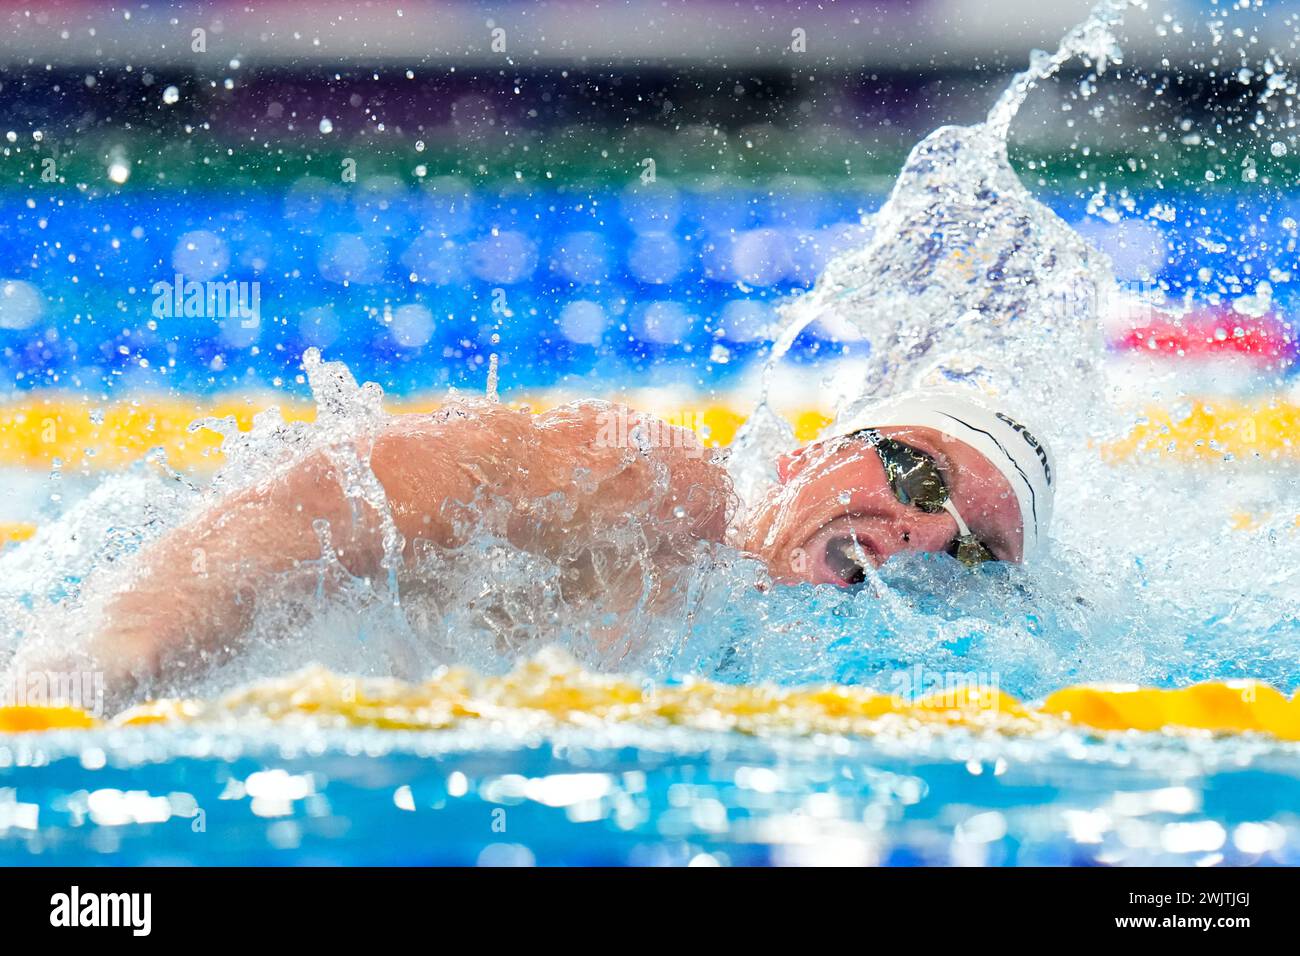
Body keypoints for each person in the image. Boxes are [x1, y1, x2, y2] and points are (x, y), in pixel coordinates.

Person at [10, 389, 1054, 704]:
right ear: (812, 453)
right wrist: (93, 663)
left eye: (968, 552)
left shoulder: (844, 691)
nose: (920, 532)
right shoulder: (655, 489)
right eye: (918, 474)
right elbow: (339, 494)